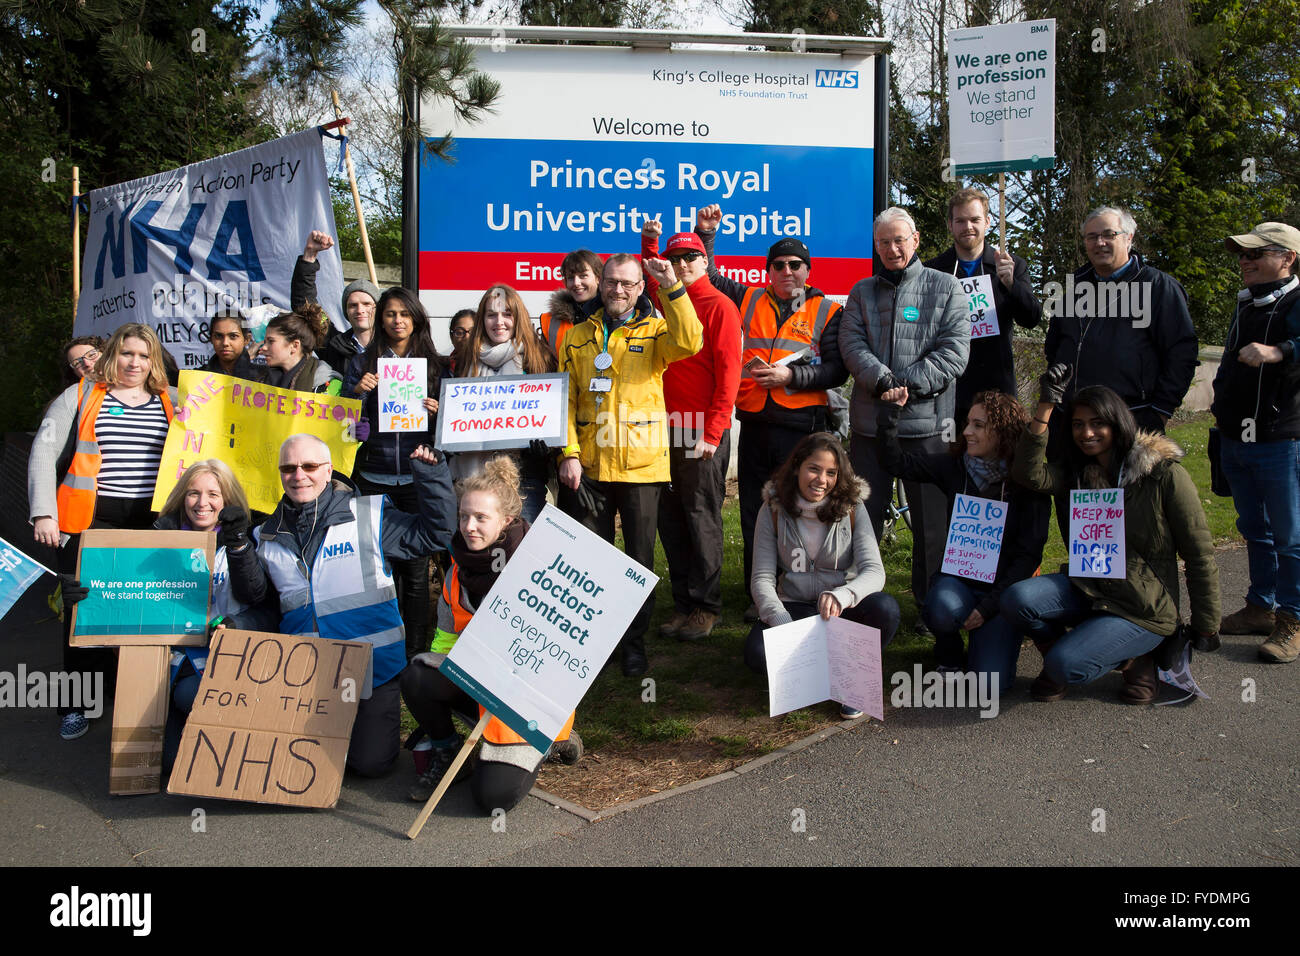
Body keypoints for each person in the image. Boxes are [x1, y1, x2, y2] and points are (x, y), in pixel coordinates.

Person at [223, 433, 456, 777]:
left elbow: (437, 535)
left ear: (329, 470)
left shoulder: (370, 516)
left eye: (309, 466)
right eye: (288, 468)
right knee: (301, 764)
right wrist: (239, 546)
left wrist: (432, 477)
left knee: (369, 765)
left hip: (372, 672)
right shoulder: (266, 535)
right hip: (304, 678)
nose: (298, 475)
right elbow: (258, 599)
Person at [1000, 371, 1220, 703]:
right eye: (1077, 424)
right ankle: (1080, 650)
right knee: (1017, 599)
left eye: (1097, 423)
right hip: (1090, 587)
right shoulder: (1078, 472)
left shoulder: (1163, 475)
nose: (1086, 433)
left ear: (1117, 423)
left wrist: (1206, 626)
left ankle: (1135, 657)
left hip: (1143, 606)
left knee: (1066, 664)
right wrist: (1045, 406)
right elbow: (1028, 473)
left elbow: (1199, 554)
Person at [400, 456, 581, 812]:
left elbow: (562, 657)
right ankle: (448, 749)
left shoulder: (541, 570)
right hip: (479, 682)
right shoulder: (457, 571)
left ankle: (549, 741)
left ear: (507, 521)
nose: (469, 526)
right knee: (417, 675)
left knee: (490, 801)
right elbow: (444, 643)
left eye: (481, 518)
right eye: (464, 516)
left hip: (526, 701)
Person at [693, 204, 848, 617]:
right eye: (778, 265)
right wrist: (706, 235)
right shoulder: (748, 298)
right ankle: (757, 596)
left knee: (798, 512)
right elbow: (706, 277)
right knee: (756, 513)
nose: (787, 271)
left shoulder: (829, 311)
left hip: (802, 429)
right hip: (757, 424)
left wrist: (791, 378)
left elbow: (837, 370)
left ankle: (794, 592)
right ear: (768, 270)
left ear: (807, 270)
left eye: (795, 264)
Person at [29, 323, 177, 739]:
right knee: (84, 613)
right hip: (90, 522)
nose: (135, 363)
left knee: (144, 611)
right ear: (113, 353)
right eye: (128, 353)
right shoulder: (81, 395)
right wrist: (44, 513)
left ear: (154, 360)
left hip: (153, 522)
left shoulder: (173, 399)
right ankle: (76, 705)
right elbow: (44, 450)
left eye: (144, 356)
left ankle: (136, 700)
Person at [557, 252, 702, 676]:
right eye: (611, 282)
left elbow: (692, 340)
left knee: (638, 562)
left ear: (640, 288)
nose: (618, 290)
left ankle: (634, 643)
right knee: (592, 564)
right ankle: (596, 643)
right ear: (601, 285)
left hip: (642, 469)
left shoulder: (658, 331)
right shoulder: (577, 335)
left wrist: (673, 288)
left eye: (627, 283)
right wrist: (568, 453)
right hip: (591, 469)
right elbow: (565, 400)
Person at [877, 386, 1049, 691]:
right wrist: (890, 416)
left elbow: (1029, 556)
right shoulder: (955, 466)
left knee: (989, 685)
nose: (967, 431)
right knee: (940, 606)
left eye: (978, 425)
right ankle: (950, 656)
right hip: (959, 580)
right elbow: (897, 464)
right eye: (968, 422)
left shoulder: (1027, 484)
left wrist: (988, 608)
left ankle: (993, 642)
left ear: (1003, 432)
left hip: (1003, 590)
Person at [839, 206, 969, 607]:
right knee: (861, 520)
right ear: (875, 247)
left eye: (899, 240)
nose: (892, 248)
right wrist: (882, 381)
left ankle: (932, 610)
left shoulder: (947, 288)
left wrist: (906, 384)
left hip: (927, 431)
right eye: (884, 242)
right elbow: (851, 344)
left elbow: (954, 352)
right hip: (870, 428)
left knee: (932, 529)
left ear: (915, 241)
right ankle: (857, 605)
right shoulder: (861, 292)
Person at [746, 432, 900, 718]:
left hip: (841, 610)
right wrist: (780, 621)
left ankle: (844, 677)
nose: (821, 479)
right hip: (796, 608)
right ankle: (836, 669)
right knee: (757, 653)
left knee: (886, 608)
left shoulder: (853, 507)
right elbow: (761, 578)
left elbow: (875, 571)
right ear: (797, 467)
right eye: (814, 468)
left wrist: (842, 595)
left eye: (831, 472)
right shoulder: (773, 509)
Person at [641, 221, 742, 641]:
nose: (681, 264)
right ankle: (683, 604)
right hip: (663, 431)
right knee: (671, 519)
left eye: (690, 257)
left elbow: (729, 375)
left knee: (701, 518)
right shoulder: (662, 300)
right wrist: (649, 243)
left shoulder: (719, 305)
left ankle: (707, 606)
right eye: (675, 257)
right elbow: (648, 275)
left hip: (701, 431)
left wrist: (715, 431)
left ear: (705, 261)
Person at [1211, 221, 1300, 662]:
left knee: (1290, 536)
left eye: (1256, 254)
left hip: (1281, 440)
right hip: (1236, 437)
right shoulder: (1247, 303)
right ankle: (1260, 606)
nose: (1245, 261)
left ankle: (1293, 619)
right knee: (1255, 530)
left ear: (1287, 258)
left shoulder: (1296, 300)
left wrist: (1281, 349)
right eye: (1243, 254)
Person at [153, 459, 278, 767]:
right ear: (182, 498)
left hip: (233, 657)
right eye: (193, 493)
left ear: (227, 500)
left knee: (201, 699)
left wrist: (237, 545)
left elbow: (258, 599)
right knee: (168, 764)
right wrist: (86, 596)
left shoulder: (249, 539)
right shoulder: (156, 543)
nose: (202, 503)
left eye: (213, 494)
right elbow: (125, 597)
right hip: (177, 660)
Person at [344, 286, 444, 657]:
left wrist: (439, 415)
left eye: (404, 313)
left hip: (417, 478)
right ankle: (383, 645)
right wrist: (358, 395)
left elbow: (449, 433)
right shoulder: (361, 363)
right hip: (374, 476)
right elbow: (344, 427)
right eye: (390, 314)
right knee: (379, 567)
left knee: (416, 570)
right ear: (380, 318)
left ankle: (414, 650)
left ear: (416, 317)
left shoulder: (435, 365)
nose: (398, 320)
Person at [1045, 206, 1197, 433]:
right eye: (1092, 236)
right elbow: (1055, 346)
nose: (1100, 243)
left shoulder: (1157, 287)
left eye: (1109, 234)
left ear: (1129, 238)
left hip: (1130, 420)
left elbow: (1181, 352)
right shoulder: (1073, 288)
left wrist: (1160, 412)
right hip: (1072, 422)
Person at [925, 188, 1041, 422]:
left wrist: (1011, 284)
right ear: (950, 225)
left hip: (997, 393)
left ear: (987, 222)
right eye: (960, 220)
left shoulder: (1011, 266)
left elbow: (1031, 318)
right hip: (948, 392)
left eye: (975, 219)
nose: (968, 227)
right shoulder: (932, 271)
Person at [450, 284, 556, 523]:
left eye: (507, 314)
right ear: (482, 319)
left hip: (523, 477)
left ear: (517, 317)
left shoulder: (539, 357)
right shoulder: (467, 357)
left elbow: (550, 413)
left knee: (521, 550)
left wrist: (546, 446)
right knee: (481, 552)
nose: (499, 321)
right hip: (474, 478)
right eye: (491, 314)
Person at [290, 229, 381, 372]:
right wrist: (309, 256)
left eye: (367, 304)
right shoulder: (334, 345)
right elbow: (305, 307)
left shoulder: (394, 344)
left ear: (378, 308)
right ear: (346, 311)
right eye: (353, 305)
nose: (360, 310)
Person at [260, 306, 341, 394]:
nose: (264, 347)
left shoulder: (329, 384)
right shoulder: (260, 379)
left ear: (295, 346)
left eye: (271, 341)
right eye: (265, 342)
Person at [537, 249, 603, 355]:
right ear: (565, 282)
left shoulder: (614, 315)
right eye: (571, 278)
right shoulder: (551, 322)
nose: (576, 283)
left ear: (598, 278)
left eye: (583, 276)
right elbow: (544, 366)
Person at [202, 311, 263, 382]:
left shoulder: (264, 376)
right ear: (211, 339)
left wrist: (243, 361)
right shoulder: (197, 377)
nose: (225, 343)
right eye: (218, 336)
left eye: (233, 336)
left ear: (246, 339)